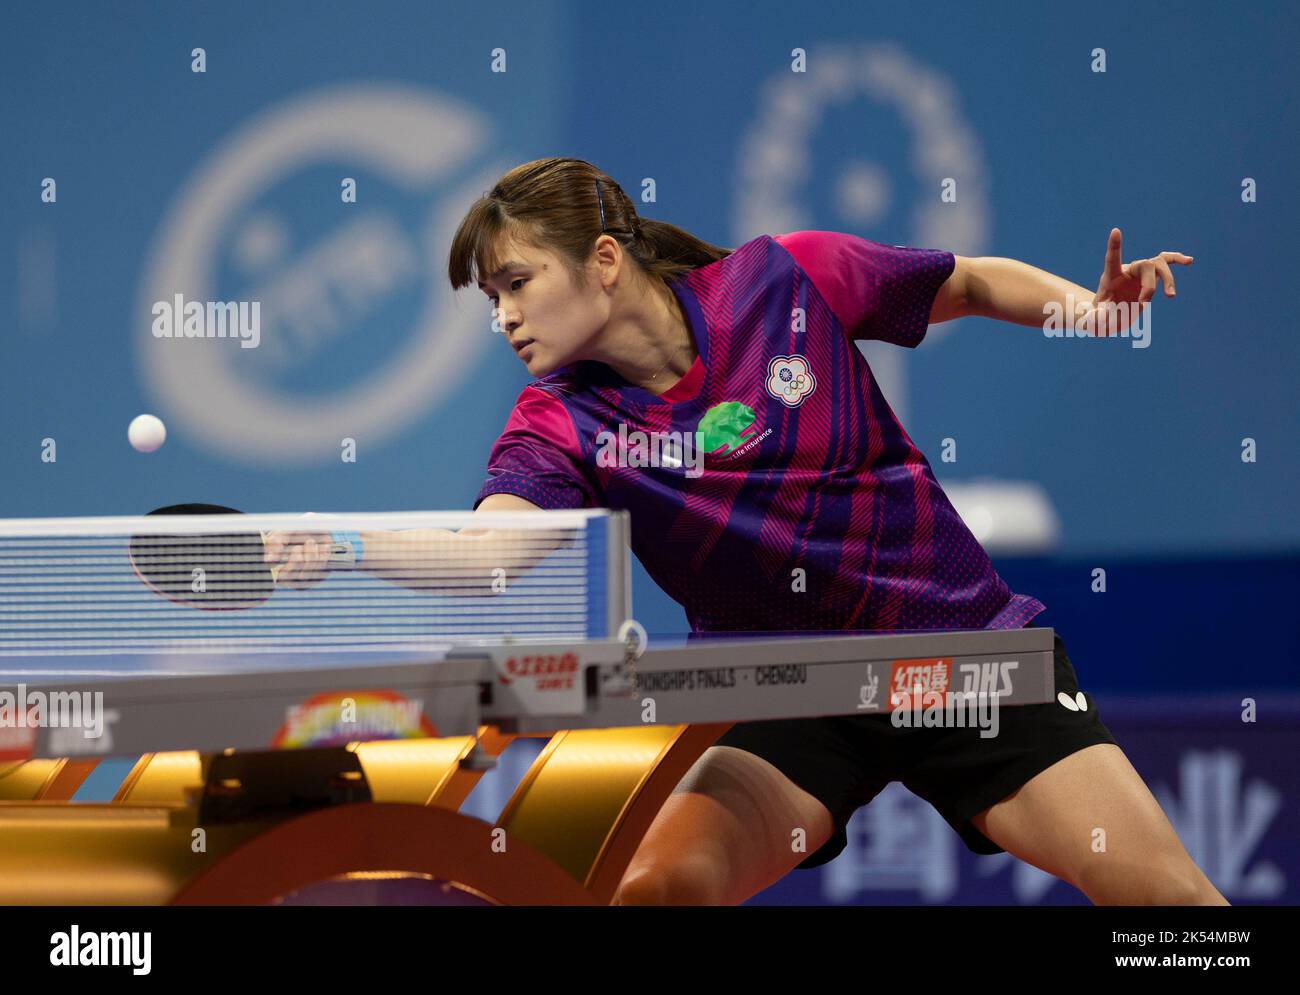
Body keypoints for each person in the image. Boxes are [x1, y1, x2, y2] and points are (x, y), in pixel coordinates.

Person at [273, 156, 1221, 906]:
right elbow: (498, 551)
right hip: (784, 693)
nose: (505, 315)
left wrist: (1090, 313)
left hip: (957, 654)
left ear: (604, 261)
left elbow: (965, 283)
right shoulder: (558, 422)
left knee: (1166, 899)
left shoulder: (784, 278)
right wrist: (344, 547)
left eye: (517, 281)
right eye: (491, 300)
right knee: (655, 888)